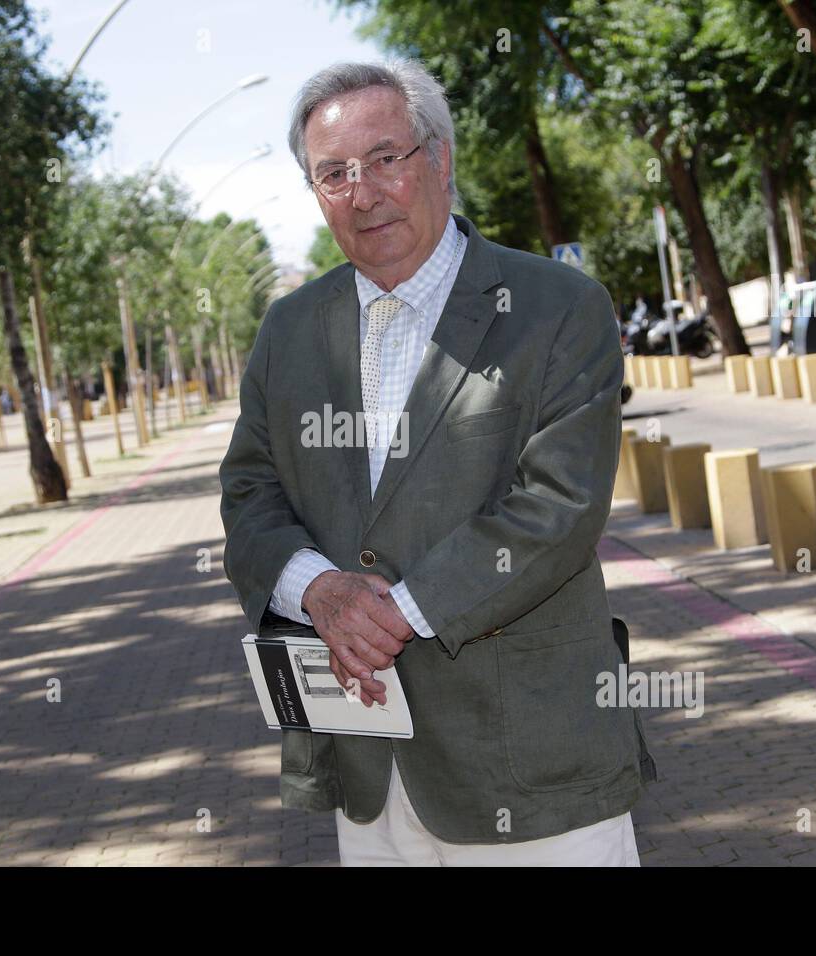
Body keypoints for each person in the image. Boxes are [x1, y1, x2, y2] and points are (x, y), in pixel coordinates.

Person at [219, 59, 655, 866]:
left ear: (440, 159)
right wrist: (316, 589)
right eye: (334, 173)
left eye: (386, 158)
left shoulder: (558, 309)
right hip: (367, 770)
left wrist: (390, 615)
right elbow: (250, 492)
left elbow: (559, 507)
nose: (363, 192)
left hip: (533, 773)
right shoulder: (288, 330)